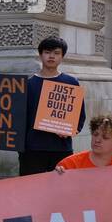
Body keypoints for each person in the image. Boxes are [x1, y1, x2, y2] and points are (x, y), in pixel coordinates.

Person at [19, 35, 87, 175]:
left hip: (61, 148)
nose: (51, 56)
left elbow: (80, 116)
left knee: (59, 191)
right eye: (47, 52)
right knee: (31, 190)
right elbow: (20, 118)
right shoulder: (28, 84)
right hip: (33, 149)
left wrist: (71, 130)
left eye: (56, 53)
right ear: (40, 55)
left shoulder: (71, 82)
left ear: (62, 56)